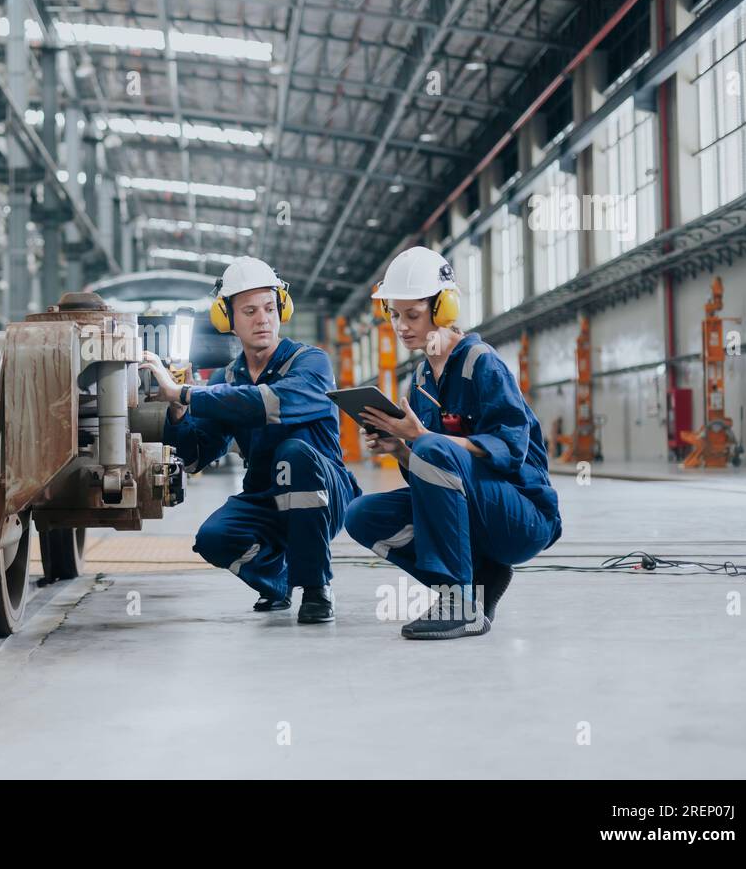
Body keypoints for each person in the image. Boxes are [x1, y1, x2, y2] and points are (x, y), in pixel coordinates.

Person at [343, 246, 562, 639]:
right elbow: (433, 477)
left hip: (523, 516)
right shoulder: (423, 381)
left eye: (412, 315)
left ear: (442, 310)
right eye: (394, 314)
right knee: (361, 514)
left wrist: (423, 439)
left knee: (431, 447)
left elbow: (511, 450)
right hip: (479, 514)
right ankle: (480, 575)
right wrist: (400, 450)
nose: (401, 326)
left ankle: (458, 602)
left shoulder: (482, 363)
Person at [140, 256, 360, 623]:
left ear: (282, 310)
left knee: (294, 454)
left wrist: (186, 394)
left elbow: (268, 404)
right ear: (227, 319)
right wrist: (177, 413)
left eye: (270, 308)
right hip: (266, 497)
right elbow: (196, 456)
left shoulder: (312, 364)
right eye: (250, 311)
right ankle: (279, 581)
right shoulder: (227, 379)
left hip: (326, 492)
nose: (263, 319)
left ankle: (316, 587)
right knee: (213, 538)